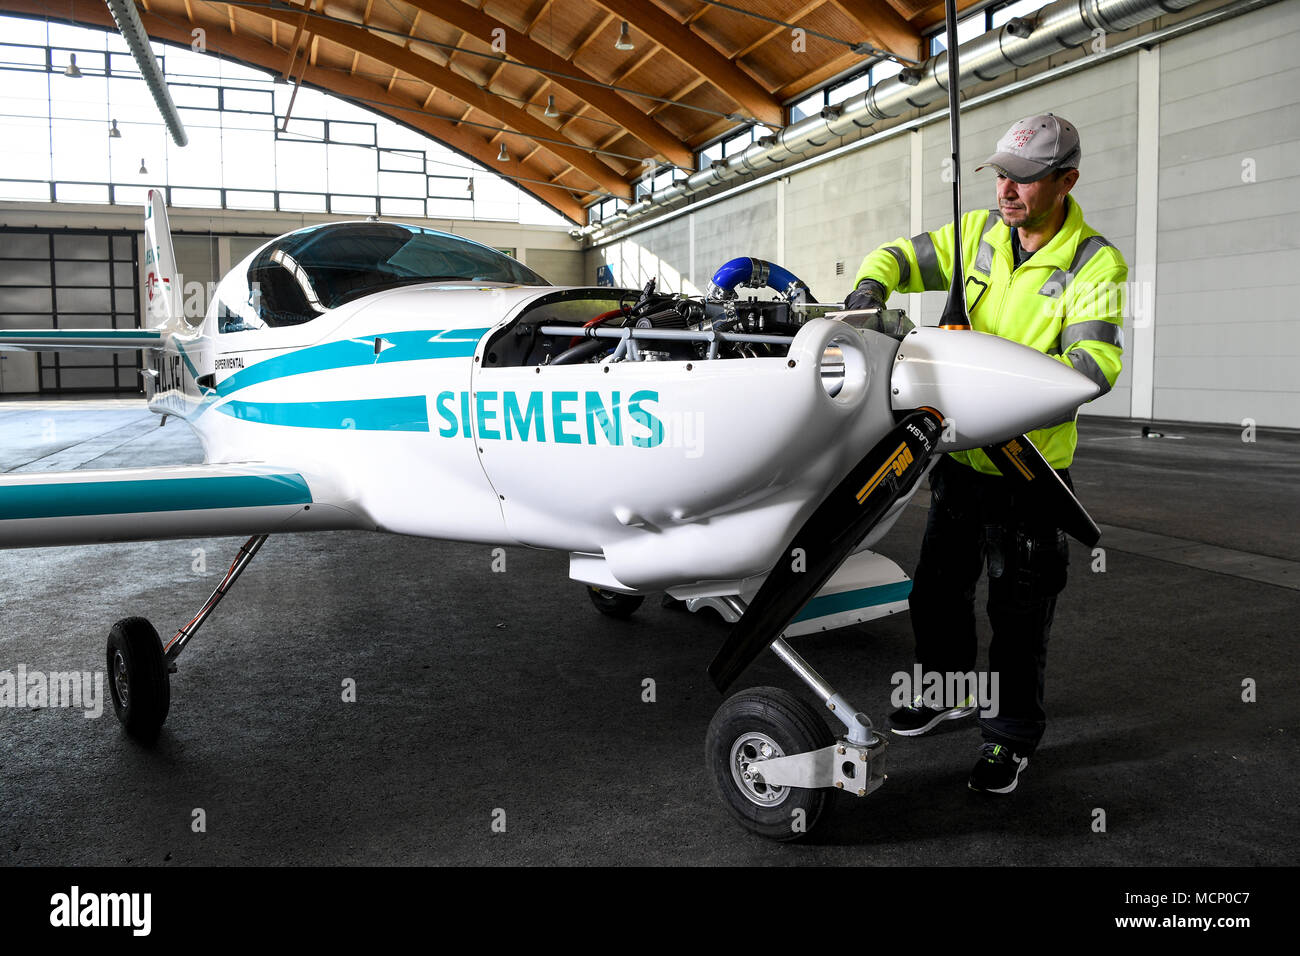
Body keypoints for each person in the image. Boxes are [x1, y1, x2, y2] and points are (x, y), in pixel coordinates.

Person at [845, 113, 1126, 794]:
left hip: (1030, 471)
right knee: (937, 592)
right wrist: (867, 296)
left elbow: (1092, 366)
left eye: (1025, 179)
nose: (1007, 189)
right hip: (960, 463)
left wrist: (1003, 385)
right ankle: (946, 692)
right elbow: (893, 257)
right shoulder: (976, 236)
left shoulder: (1094, 262)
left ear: (1066, 181)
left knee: (1018, 613)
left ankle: (1009, 738)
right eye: (1001, 174)